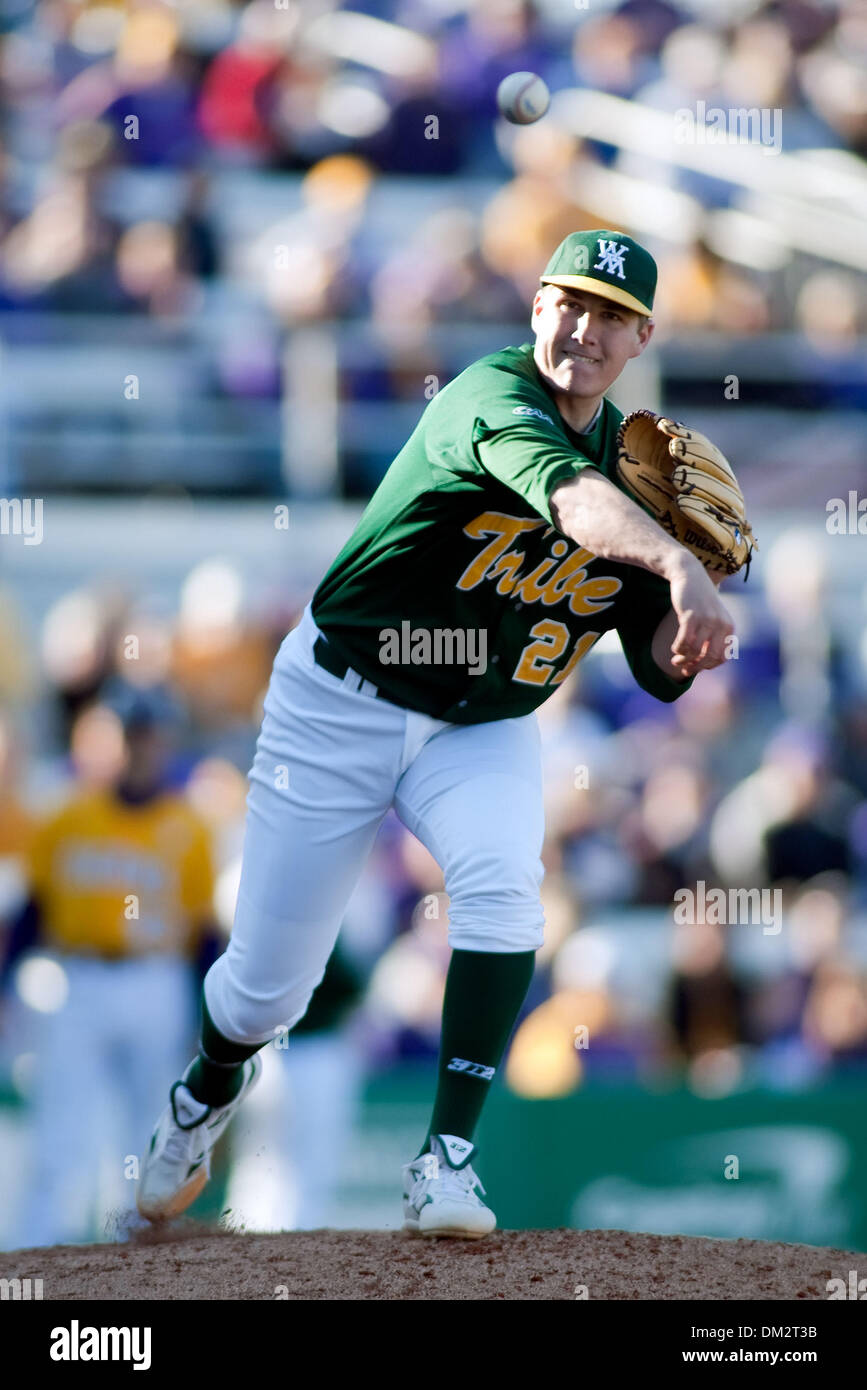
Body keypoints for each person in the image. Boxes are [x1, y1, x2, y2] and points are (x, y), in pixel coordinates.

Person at [137, 229, 734, 1239]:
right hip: (342, 697)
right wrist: (678, 561)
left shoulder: (641, 478)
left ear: (642, 337)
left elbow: (647, 656)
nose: (583, 329)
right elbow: (570, 503)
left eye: (609, 316)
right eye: (569, 303)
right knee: (263, 989)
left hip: (481, 723)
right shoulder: (487, 398)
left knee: (507, 887)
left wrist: (681, 642)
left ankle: (446, 1160)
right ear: (538, 305)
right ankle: (202, 1097)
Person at [1, 686, 217, 1246]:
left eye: (150, 735)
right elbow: (34, 912)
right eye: (132, 734)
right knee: (61, 1124)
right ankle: (37, 1252)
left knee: (145, 1129)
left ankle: (133, 1259)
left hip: (156, 979)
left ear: (166, 742)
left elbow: (203, 936)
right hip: (82, 976)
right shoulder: (70, 816)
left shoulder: (189, 828)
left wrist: (206, 1015)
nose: (141, 747)